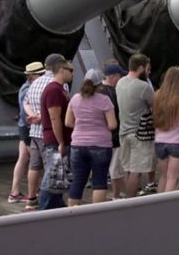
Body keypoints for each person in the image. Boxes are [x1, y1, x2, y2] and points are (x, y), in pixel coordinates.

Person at [65, 69, 117, 206]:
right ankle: (96, 216)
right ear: (100, 84)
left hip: (77, 145)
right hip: (100, 145)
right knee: (99, 182)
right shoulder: (104, 100)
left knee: (78, 181)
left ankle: (72, 214)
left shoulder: (75, 99)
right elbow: (112, 125)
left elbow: (68, 122)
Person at [22, 53, 66, 210]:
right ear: (60, 67)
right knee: (52, 169)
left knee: (34, 166)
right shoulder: (58, 84)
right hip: (49, 134)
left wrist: (33, 115)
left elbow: (25, 102)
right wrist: (40, 116)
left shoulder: (35, 83)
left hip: (34, 132)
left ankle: (31, 198)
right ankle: (49, 203)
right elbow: (53, 112)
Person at [116, 53, 155, 198]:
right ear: (141, 67)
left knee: (127, 168)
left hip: (123, 131)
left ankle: (127, 199)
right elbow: (155, 107)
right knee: (136, 171)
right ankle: (131, 201)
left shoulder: (120, 82)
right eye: (147, 68)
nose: (148, 71)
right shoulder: (143, 86)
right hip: (140, 133)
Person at [38, 58, 74, 210]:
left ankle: (56, 206)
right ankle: (44, 209)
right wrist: (60, 142)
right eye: (70, 70)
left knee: (58, 177)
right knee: (51, 177)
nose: (72, 73)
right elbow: (55, 118)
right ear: (61, 70)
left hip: (59, 140)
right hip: (55, 141)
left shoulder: (60, 89)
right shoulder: (54, 90)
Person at [8, 61, 44, 203]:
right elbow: (25, 113)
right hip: (29, 128)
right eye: (40, 74)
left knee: (23, 158)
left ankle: (15, 193)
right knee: (36, 160)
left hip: (24, 127)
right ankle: (34, 192)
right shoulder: (28, 89)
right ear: (33, 75)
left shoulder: (27, 87)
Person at [100, 62, 127, 199]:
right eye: (119, 76)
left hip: (98, 138)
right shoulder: (113, 92)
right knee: (116, 169)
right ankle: (116, 196)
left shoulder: (97, 90)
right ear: (113, 77)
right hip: (114, 137)